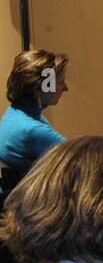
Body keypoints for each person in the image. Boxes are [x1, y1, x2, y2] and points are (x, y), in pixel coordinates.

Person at [0, 49, 68, 184]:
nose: (65, 88)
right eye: (60, 82)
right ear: (39, 87)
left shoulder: (13, 115)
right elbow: (85, 162)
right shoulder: (33, 130)